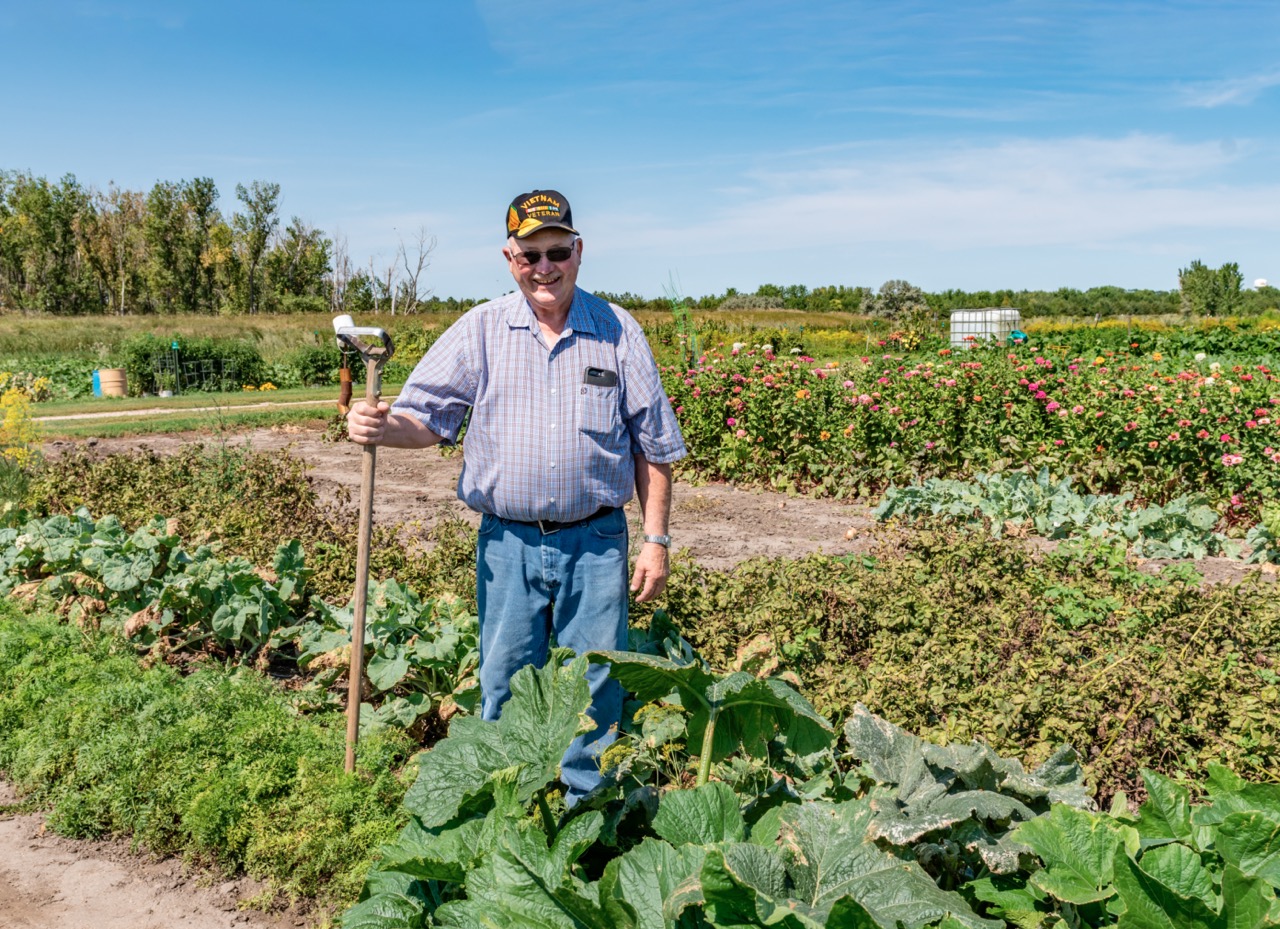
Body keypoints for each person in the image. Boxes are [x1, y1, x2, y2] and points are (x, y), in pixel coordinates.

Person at [346, 189, 686, 802]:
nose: (545, 267)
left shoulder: (615, 330)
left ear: (578, 251)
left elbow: (653, 446)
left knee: (596, 685)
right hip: (509, 543)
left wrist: (656, 541)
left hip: (598, 542)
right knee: (503, 680)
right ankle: (509, 810)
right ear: (510, 257)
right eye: (531, 255)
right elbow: (426, 420)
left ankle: (588, 813)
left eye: (557, 251)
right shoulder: (481, 329)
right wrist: (379, 426)